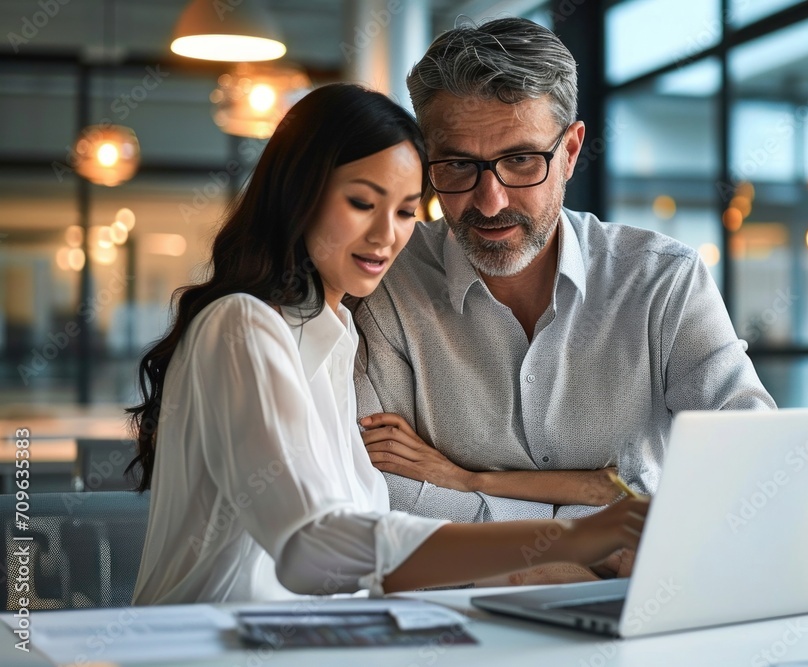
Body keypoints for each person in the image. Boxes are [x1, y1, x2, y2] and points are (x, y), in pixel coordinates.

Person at [126, 83, 647, 605]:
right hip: (203, 646)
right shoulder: (241, 326)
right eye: (361, 202)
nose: (386, 236)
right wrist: (572, 540)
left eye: (404, 211)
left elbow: (368, 557)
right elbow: (314, 552)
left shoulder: (338, 337)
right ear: (297, 194)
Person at [351, 18, 777, 524]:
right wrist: (596, 525)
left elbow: (753, 464)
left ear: (571, 151)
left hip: (633, 595)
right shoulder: (385, 282)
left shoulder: (663, 282)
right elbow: (384, 496)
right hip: (465, 600)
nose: (490, 203)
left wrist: (471, 484)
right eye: (458, 165)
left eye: (523, 161)